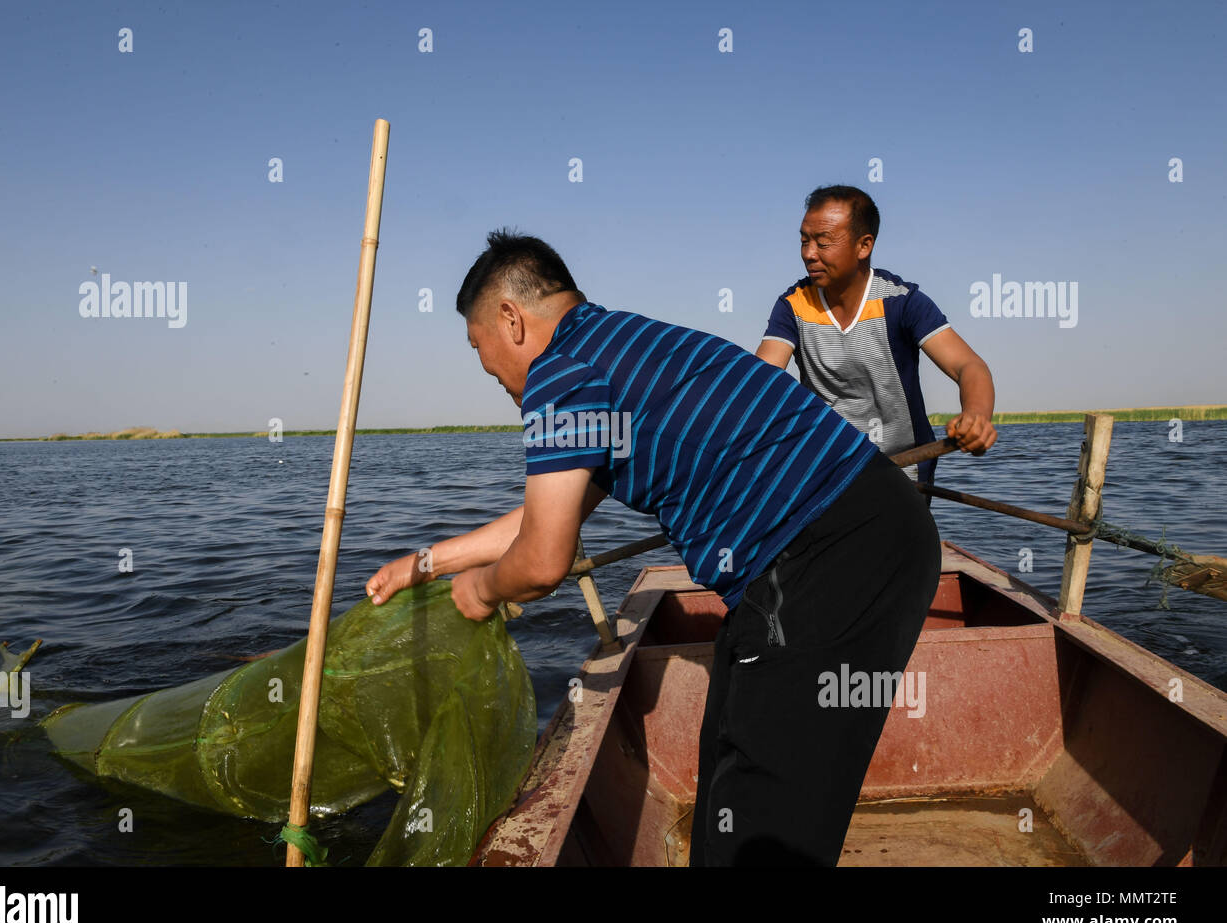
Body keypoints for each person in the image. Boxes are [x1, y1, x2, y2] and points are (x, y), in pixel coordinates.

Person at [365, 230, 941, 866]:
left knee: (760, 831)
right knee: (730, 763)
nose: (495, 376)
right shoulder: (611, 347)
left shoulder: (562, 371)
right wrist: (426, 563)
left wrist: (477, 591)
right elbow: (542, 519)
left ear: (511, 318)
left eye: (484, 354)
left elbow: (542, 561)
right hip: (852, 541)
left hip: (829, 554)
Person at [755, 185, 997, 486]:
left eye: (823, 242)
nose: (809, 254)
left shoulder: (901, 301)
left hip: (904, 469)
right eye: (804, 241)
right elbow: (760, 381)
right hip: (827, 470)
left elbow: (968, 366)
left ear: (864, 246)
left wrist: (976, 415)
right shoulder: (793, 305)